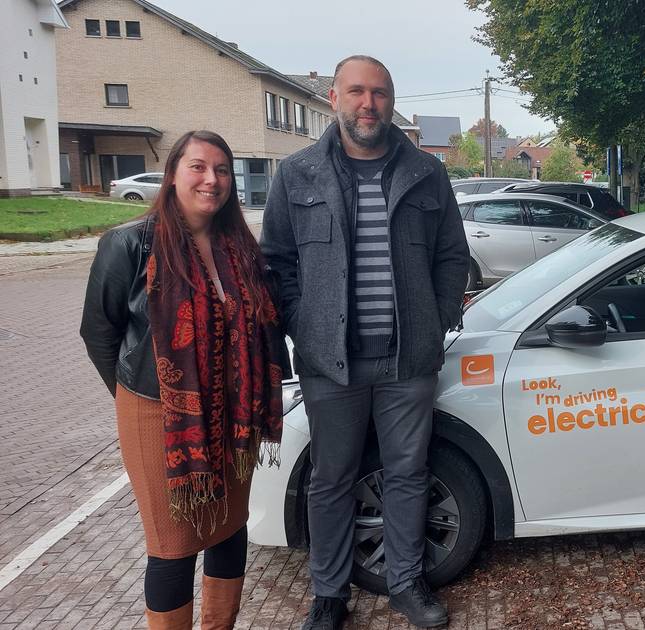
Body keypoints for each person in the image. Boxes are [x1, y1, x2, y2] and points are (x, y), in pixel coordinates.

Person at [260, 55, 469, 630]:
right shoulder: (297, 174)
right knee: (331, 478)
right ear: (334, 97)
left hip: (408, 359)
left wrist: (438, 315)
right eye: (357, 91)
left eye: (379, 93)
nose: (368, 103)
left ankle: (405, 582)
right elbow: (276, 263)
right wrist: (305, 323)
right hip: (332, 362)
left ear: (391, 101)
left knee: (407, 472)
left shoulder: (428, 173)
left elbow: (453, 256)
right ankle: (329, 594)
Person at [80, 130, 289, 630]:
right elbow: (98, 331)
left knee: (227, 530)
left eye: (221, 170)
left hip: (233, 413)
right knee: (172, 545)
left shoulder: (238, 247)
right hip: (160, 414)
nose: (210, 180)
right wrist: (141, 394)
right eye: (197, 167)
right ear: (173, 173)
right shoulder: (129, 243)